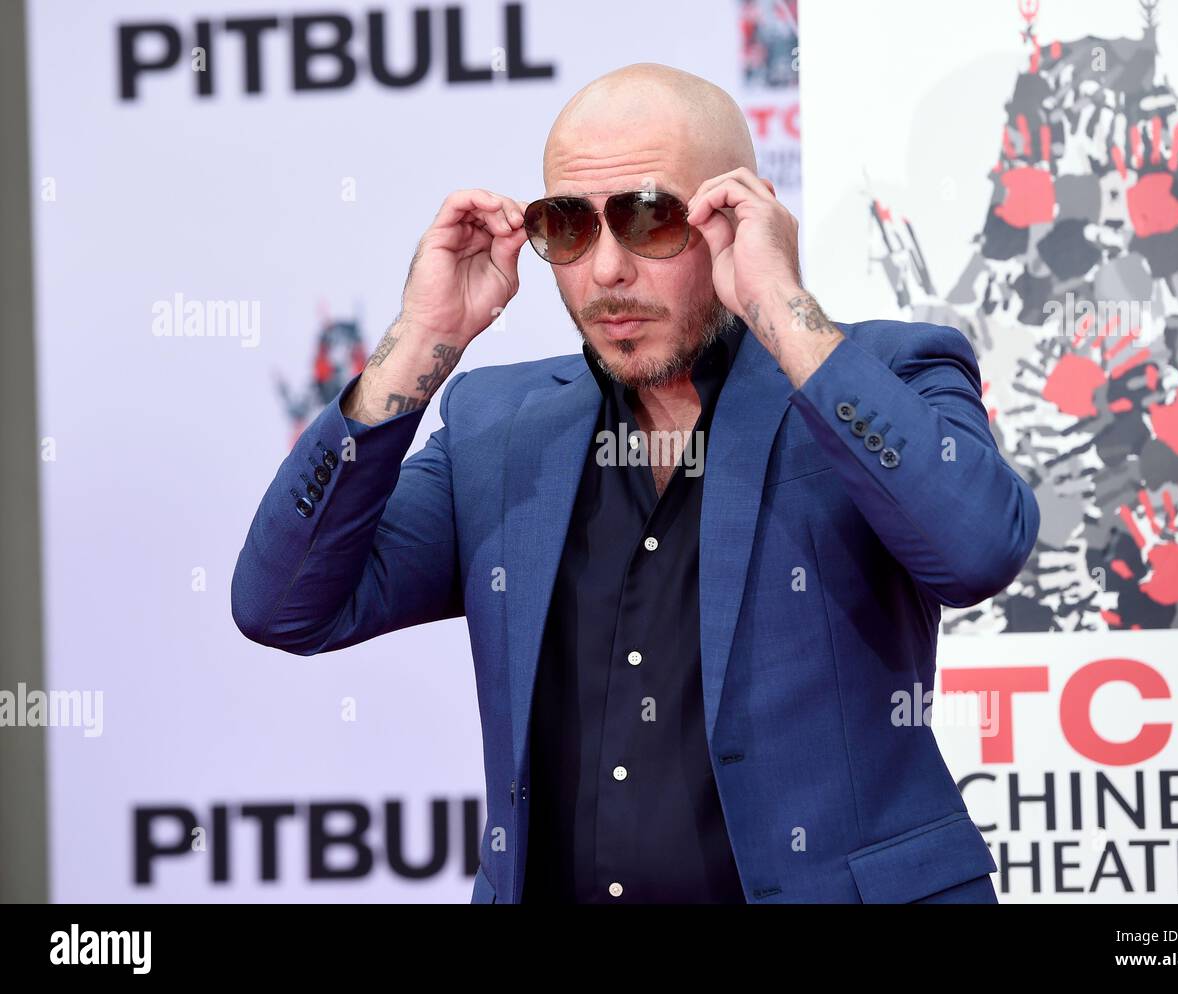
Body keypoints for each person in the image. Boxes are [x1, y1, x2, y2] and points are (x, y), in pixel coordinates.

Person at [231, 62, 1040, 904]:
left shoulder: (880, 374)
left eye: (649, 218)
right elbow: (284, 603)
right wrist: (420, 340)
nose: (607, 270)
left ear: (739, 213)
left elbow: (978, 548)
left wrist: (780, 305)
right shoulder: (500, 428)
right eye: (568, 227)